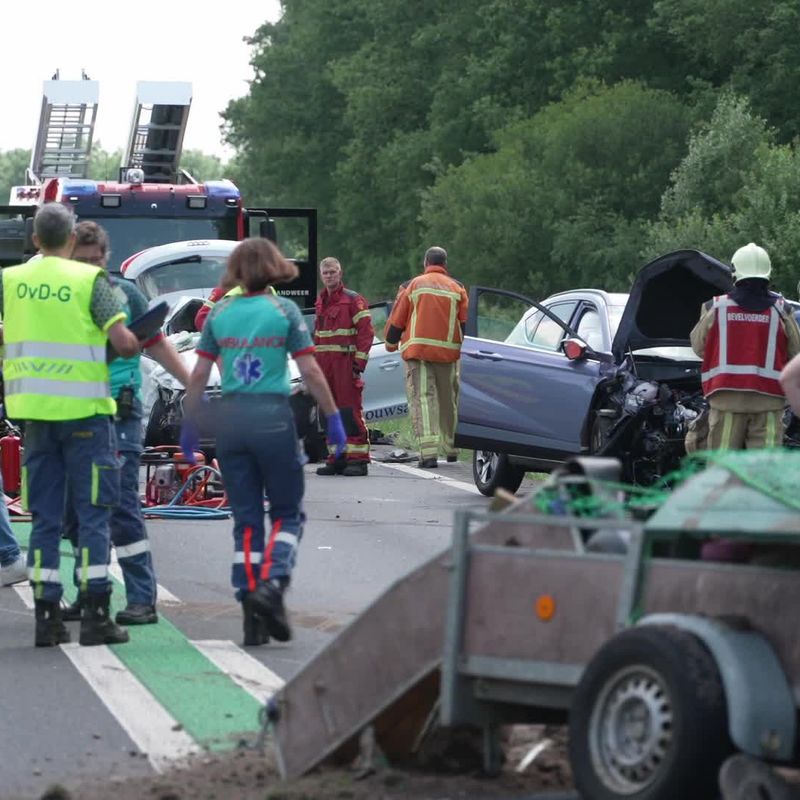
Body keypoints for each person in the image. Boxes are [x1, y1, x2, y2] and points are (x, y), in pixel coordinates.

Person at [181, 238, 346, 646]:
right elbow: (310, 371)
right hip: (273, 420)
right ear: (273, 268)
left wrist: (190, 424)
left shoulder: (219, 313)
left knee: (247, 520)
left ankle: (250, 609)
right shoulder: (283, 310)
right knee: (287, 514)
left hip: (232, 424)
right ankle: (273, 583)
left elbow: (199, 374)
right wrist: (333, 418)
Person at [1, 203, 140, 647]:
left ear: (35, 239)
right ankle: (96, 613)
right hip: (86, 416)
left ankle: (47, 617)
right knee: (93, 514)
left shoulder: (12, 280)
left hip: (35, 417)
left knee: (45, 517)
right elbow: (124, 342)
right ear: (72, 239)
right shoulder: (89, 280)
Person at [60, 221, 192, 626]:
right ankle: (90, 591)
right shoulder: (63, 296)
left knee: (119, 503)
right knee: (75, 509)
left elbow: (158, 344)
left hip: (120, 410)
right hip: (72, 411)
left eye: (95, 260)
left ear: (106, 258)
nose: (89, 267)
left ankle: (140, 598)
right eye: (81, 260)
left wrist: (193, 386)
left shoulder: (124, 294)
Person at [690, 242, 800, 450]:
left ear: (735, 271)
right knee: (763, 467)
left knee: (724, 465)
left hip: (726, 402)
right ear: (767, 273)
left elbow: (698, 346)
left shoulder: (716, 307)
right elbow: (796, 352)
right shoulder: (782, 310)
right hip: (769, 403)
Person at [384, 246, 468, 468]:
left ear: (425, 263)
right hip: (448, 354)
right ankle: (452, 449)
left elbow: (398, 317)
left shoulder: (414, 285)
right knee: (449, 401)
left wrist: (391, 343)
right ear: (445, 264)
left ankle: (428, 453)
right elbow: (464, 323)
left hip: (418, 353)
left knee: (423, 399)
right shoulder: (458, 288)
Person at [314, 257, 374, 476]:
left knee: (349, 411)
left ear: (340, 273)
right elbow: (319, 338)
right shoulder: (321, 301)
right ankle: (336, 457)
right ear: (321, 275)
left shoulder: (353, 300)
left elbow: (366, 332)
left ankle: (358, 460)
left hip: (345, 364)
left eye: (333, 272)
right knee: (328, 412)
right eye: (326, 273)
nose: (329, 276)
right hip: (325, 367)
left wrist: (358, 363)